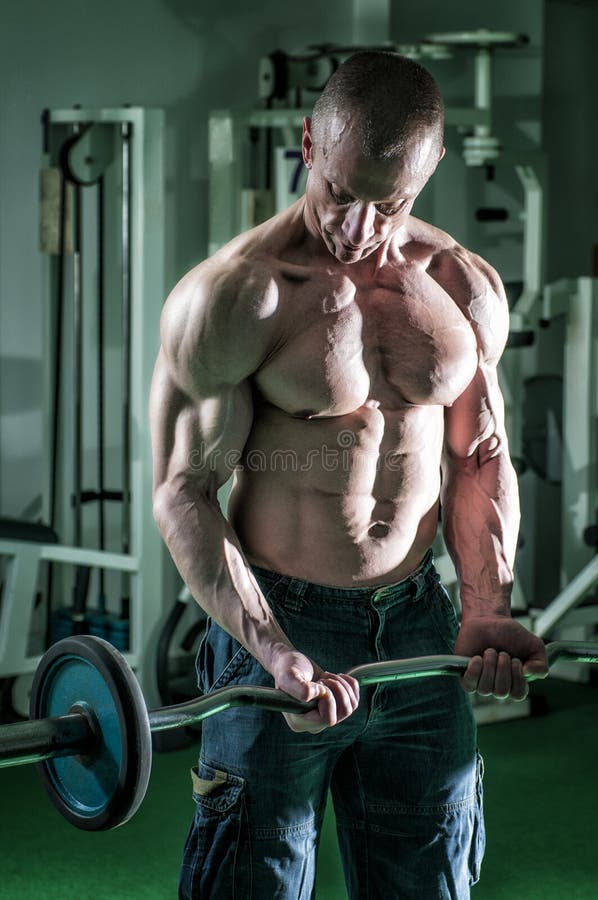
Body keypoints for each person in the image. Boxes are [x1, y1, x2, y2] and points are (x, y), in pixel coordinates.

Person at [150, 51, 549, 900]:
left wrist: (486, 607)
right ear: (308, 142)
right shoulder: (238, 295)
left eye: (391, 201)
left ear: (433, 167)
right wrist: (271, 650)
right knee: (250, 881)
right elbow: (185, 490)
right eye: (340, 191)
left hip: (419, 624)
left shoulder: (462, 287)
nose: (360, 226)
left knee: (430, 879)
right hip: (283, 624)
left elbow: (478, 454)